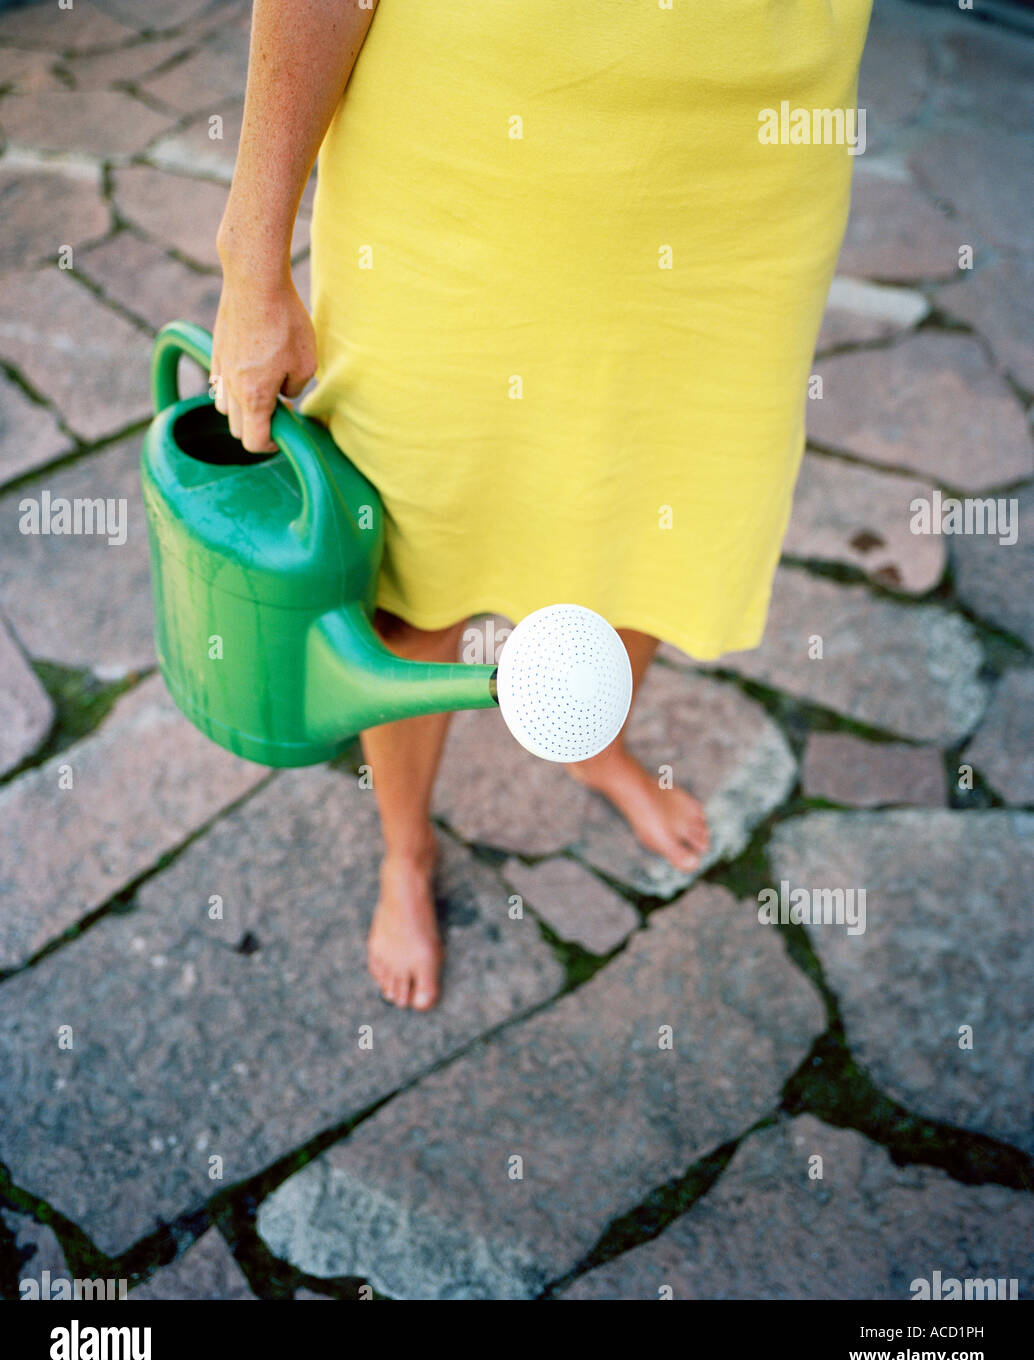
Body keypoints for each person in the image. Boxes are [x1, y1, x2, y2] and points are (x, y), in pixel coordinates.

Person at [212, 0, 873, 1011]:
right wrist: (250, 258)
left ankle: (594, 741)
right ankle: (405, 847)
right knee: (411, 570)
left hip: (741, 180)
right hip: (466, 173)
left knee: (657, 511)